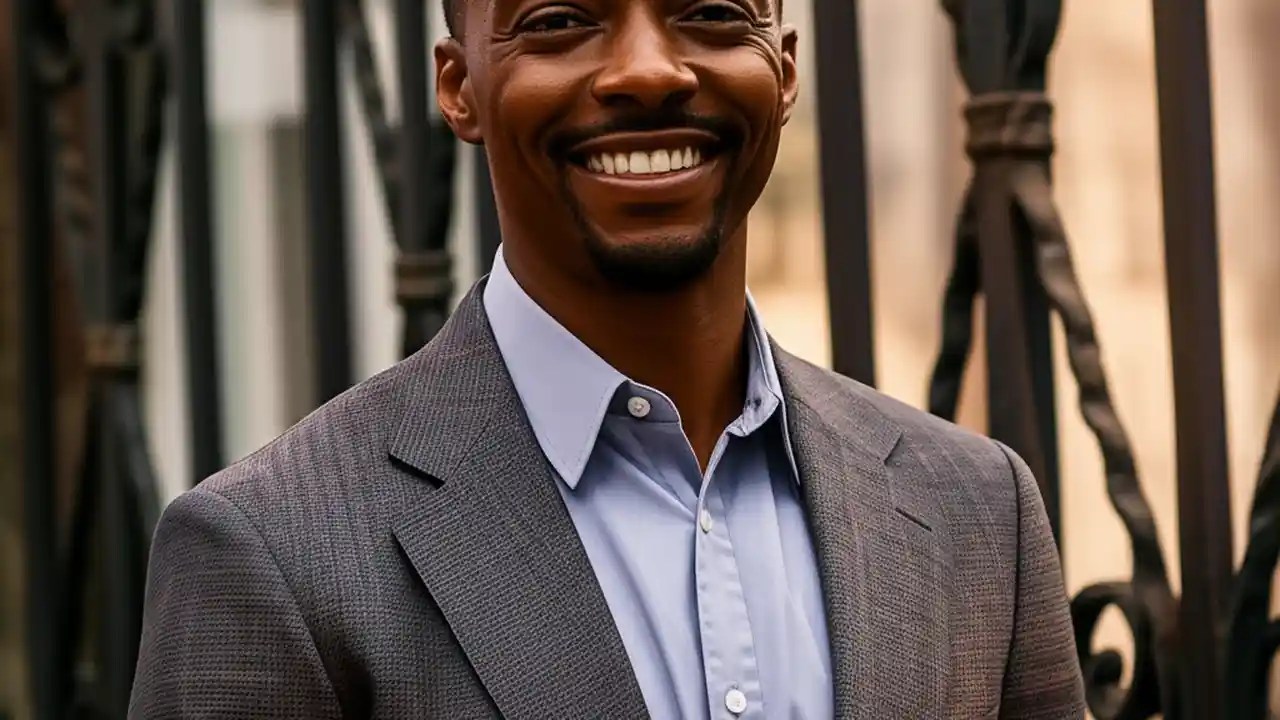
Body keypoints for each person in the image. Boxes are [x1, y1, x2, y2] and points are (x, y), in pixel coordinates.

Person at [130, 0, 1085, 717]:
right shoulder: (270, 556)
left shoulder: (978, 512)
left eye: (711, 12)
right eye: (559, 20)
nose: (647, 71)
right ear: (458, 86)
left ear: (785, 70)